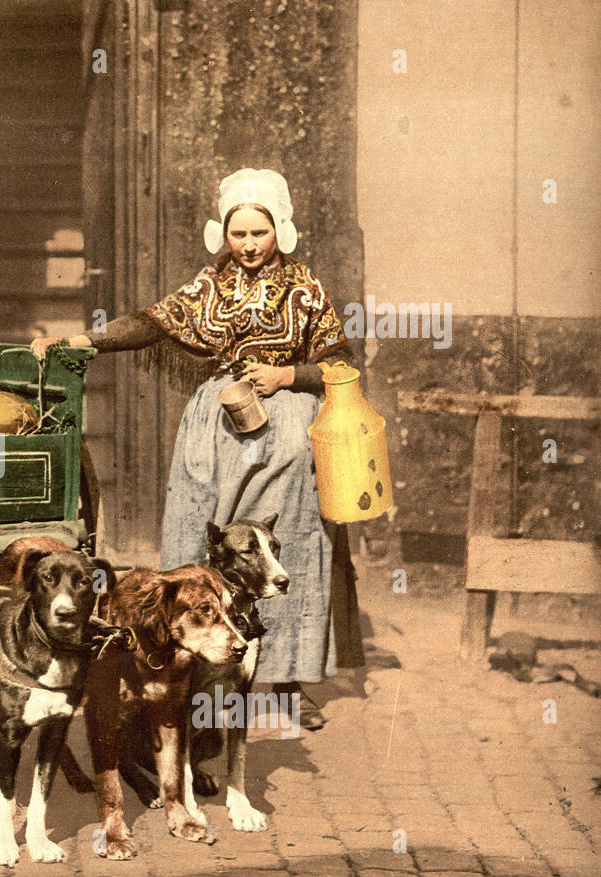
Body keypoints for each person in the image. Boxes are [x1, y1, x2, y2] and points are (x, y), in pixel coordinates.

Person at [31, 168, 365, 729]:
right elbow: (150, 323)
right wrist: (80, 338)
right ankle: (189, 673)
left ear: (279, 230)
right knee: (200, 539)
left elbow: (342, 364)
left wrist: (286, 375)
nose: (250, 245)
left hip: (288, 437)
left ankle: (283, 682)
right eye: (240, 234)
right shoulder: (208, 288)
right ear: (224, 234)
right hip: (216, 428)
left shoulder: (307, 290)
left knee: (285, 553)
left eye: (260, 233)